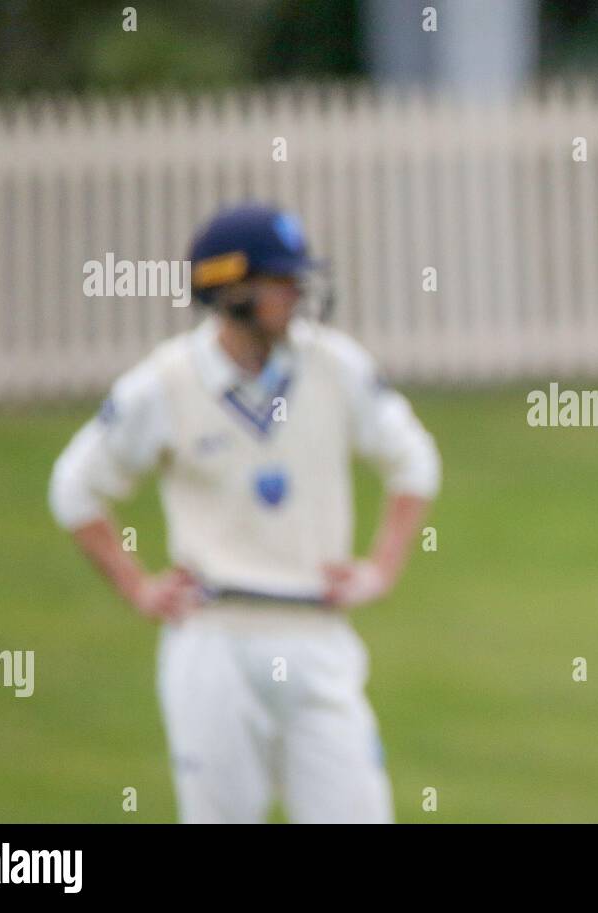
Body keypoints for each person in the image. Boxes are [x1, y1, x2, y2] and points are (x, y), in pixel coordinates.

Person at [49, 203, 440, 823]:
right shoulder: (167, 382)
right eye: (279, 281)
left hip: (316, 632)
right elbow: (75, 488)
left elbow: (414, 461)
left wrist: (381, 568)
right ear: (229, 289)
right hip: (212, 638)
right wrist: (139, 588)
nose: (295, 294)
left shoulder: (335, 366)